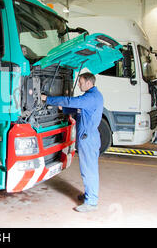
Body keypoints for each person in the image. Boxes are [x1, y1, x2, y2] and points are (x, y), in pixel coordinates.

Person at [41, 72, 103, 213]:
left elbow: (70, 101)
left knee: (89, 170)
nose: (79, 85)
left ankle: (91, 202)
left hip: (88, 138)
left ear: (88, 83)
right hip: (90, 137)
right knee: (89, 168)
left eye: (81, 82)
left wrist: (48, 99)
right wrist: (65, 109)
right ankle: (89, 195)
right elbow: (79, 110)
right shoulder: (94, 96)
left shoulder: (90, 97)